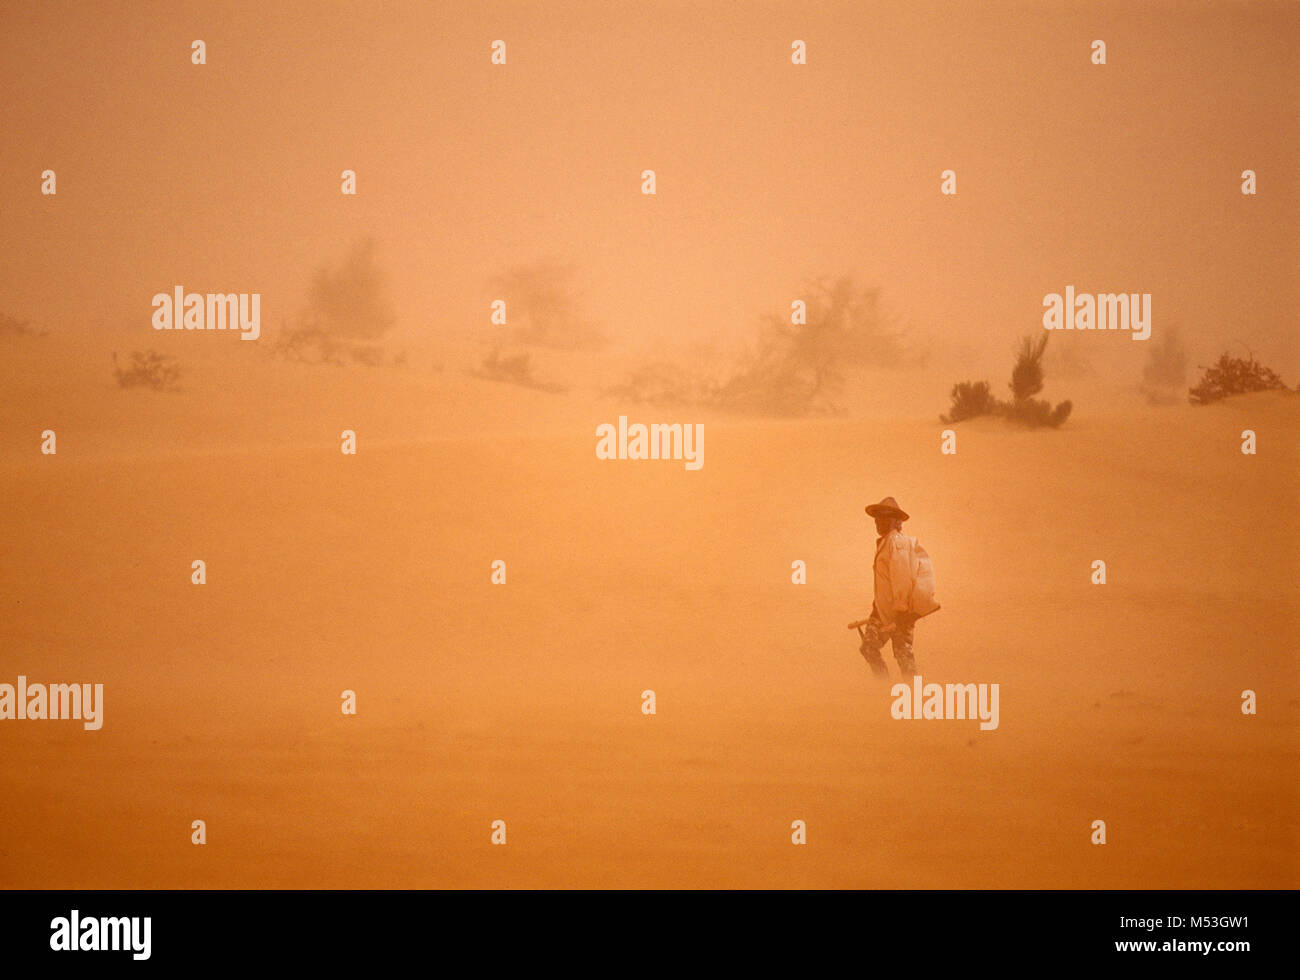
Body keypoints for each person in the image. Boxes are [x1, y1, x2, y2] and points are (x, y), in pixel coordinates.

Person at [859, 496, 919, 679]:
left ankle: (913, 696)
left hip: (901, 612)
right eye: (877, 517)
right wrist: (876, 609)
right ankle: (883, 689)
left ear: (895, 521)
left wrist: (901, 612)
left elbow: (902, 577)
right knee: (869, 648)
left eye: (884, 517)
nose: (878, 521)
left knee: (904, 658)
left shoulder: (897, 542)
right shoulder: (884, 543)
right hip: (883, 612)